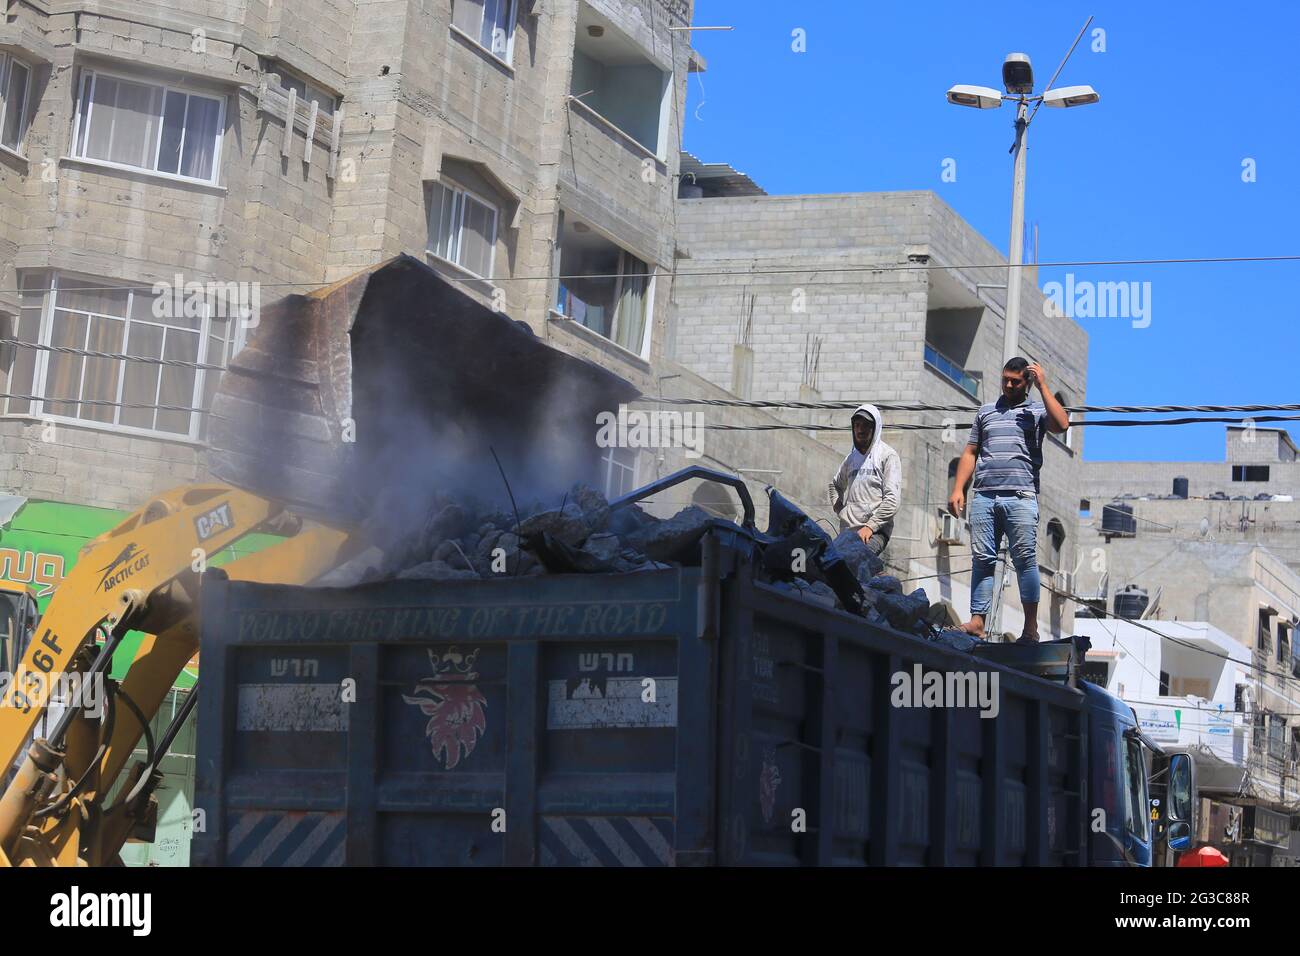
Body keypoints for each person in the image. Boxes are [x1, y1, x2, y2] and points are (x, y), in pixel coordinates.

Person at [948, 358, 1069, 643]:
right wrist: (958, 489)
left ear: (1026, 383)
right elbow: (970, 452)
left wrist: (1043, 385)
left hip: (1020, 495)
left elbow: (1062, 424)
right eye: (1005, 379)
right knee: (982, 559)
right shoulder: (986, 412)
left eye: (1016, 380)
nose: (1009, 384)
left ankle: (1030, 630)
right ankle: (978, 621)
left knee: (1025, 560)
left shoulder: (1036, 411)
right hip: (984, 496)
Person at [828, 403, 901, 557]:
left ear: (875, 428)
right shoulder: (851, 459)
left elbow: (892, 500)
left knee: (857, 561)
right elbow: (835, 485)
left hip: (875, 532)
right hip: (848, 532)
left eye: (866, 425)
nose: (860, 429)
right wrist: (839, 508)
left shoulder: (887, 456)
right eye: (857, 425)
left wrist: (870, 526)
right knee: (829, 563)